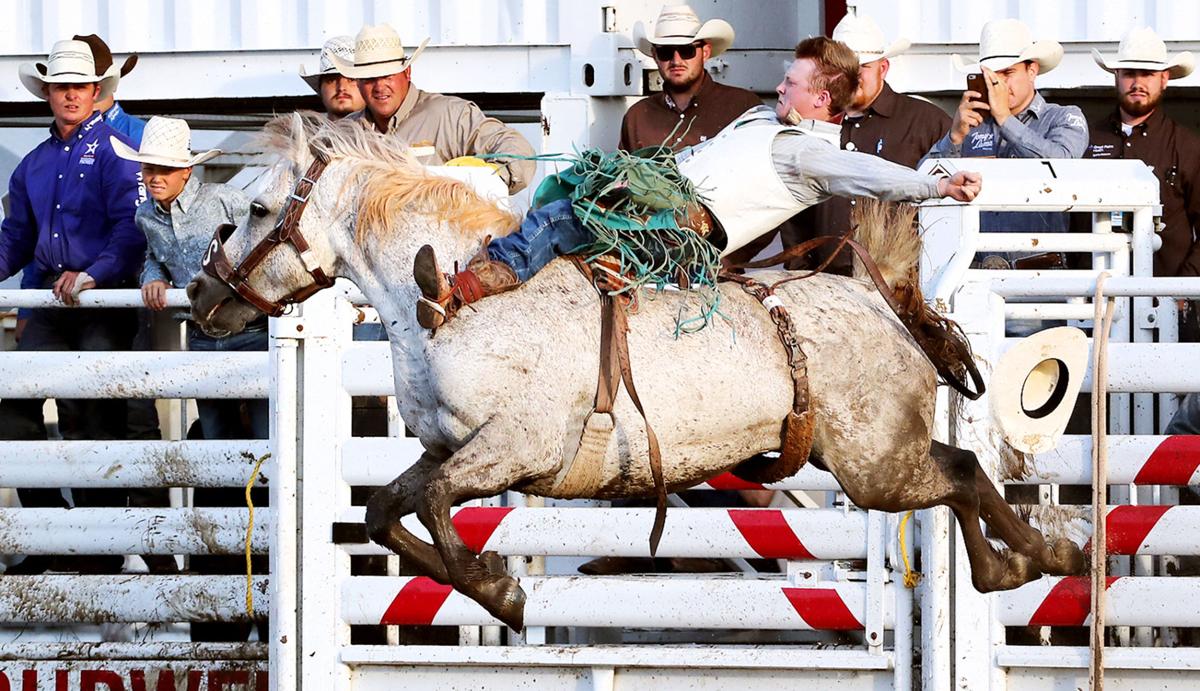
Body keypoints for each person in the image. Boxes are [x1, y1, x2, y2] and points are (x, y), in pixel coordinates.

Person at [413, 37, 981, 330]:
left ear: (821, 98)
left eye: (791, 82)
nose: (780, 87)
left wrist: (937, 187)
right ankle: (505, 269)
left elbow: (872, 174)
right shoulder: (765, 119)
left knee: (567, 219)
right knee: (564, 188)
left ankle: (465, 290)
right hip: (658, 195)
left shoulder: (809, 153)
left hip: (687, 230)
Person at [112, 116, 267, 637]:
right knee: (220, 449)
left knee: (267, 445)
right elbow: (155, 259)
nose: (153, 176)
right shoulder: (144, 216)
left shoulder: (225, 202)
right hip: (203, 339)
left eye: (162, 168)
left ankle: (267, 546)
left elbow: (263, 239)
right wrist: (154, 278)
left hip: (251, 333)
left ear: (184, 170)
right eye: (148, 168)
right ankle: (233, 558)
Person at [0, 40, 146, 574]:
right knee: (13, 408)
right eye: (61, 87)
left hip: (99, 303)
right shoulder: (35, 165)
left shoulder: (115, 152)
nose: (70, 95)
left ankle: (99, 544)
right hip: (50, 302)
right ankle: (51, 531)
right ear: (50, 94)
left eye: (78, 87)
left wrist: (92, 273)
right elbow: (13, 239)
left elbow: (131, 231)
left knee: (95, 415)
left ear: (94, 92)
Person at [781, 13, 951, 274]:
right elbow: (793, 210)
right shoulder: (809, 124)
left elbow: (946, 215)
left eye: (861, 68)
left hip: (903, 286)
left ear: (883, 68)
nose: (852, 77)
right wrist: (800, 273)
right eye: (841, 71)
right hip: (822, 285)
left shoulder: (925, 121)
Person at [925, 18, 1087, 251]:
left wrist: (1005, 119)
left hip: (1040, 268)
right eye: (992, 76)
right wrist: (954, 138)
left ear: (1032, 70)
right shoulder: (970, 122)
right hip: (975, 268)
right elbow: (924, 180)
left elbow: (1062, 164)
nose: (998, 83)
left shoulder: (1064, 117)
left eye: (1007, 73)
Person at [333, 24, 536, 194]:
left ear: (407, 72)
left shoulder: (451, 116)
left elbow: (518, 149)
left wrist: (487, 178)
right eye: (369, 78)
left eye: (388, 76)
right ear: (357, 82)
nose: (379, 87)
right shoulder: (344, 134)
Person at [1085, 27, 1199, 278]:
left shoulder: (1187, 146)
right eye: (1129, 74)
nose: (1138, 83)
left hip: (1165, 302)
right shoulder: (1087, 139)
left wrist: (1183, 291)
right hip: (1095, 297)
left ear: (1164, 78)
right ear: (1116, 76)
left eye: (1147, 74)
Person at [618, 4, 761, 152]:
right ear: (655, 56)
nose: (676, 61)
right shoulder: (636, 117)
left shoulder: (743, 107)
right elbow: (623, 173)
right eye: (666, 52)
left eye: (687, 50)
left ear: (705, 52)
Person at [300, 35, 364, 119]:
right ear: (320, 89)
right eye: (331, 80)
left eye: (351, 79)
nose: (341, 87)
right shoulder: (301, 132)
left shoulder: (385, 131)